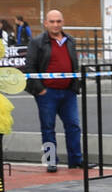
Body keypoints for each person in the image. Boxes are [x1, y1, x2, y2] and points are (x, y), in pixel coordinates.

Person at [24, 10, 84, 173]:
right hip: (47, 93)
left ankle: (76, 160)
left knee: (73, 126)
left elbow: (74, 65)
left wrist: (75, 86)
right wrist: (40, 90)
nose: (56, 25)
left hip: (68, 92)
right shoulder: (37, 42)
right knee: (48, 128)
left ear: (62, 22)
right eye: (52, 21)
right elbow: (29, 68)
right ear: (45, 23)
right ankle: (51, 161)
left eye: (58, 21)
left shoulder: (70, 40)